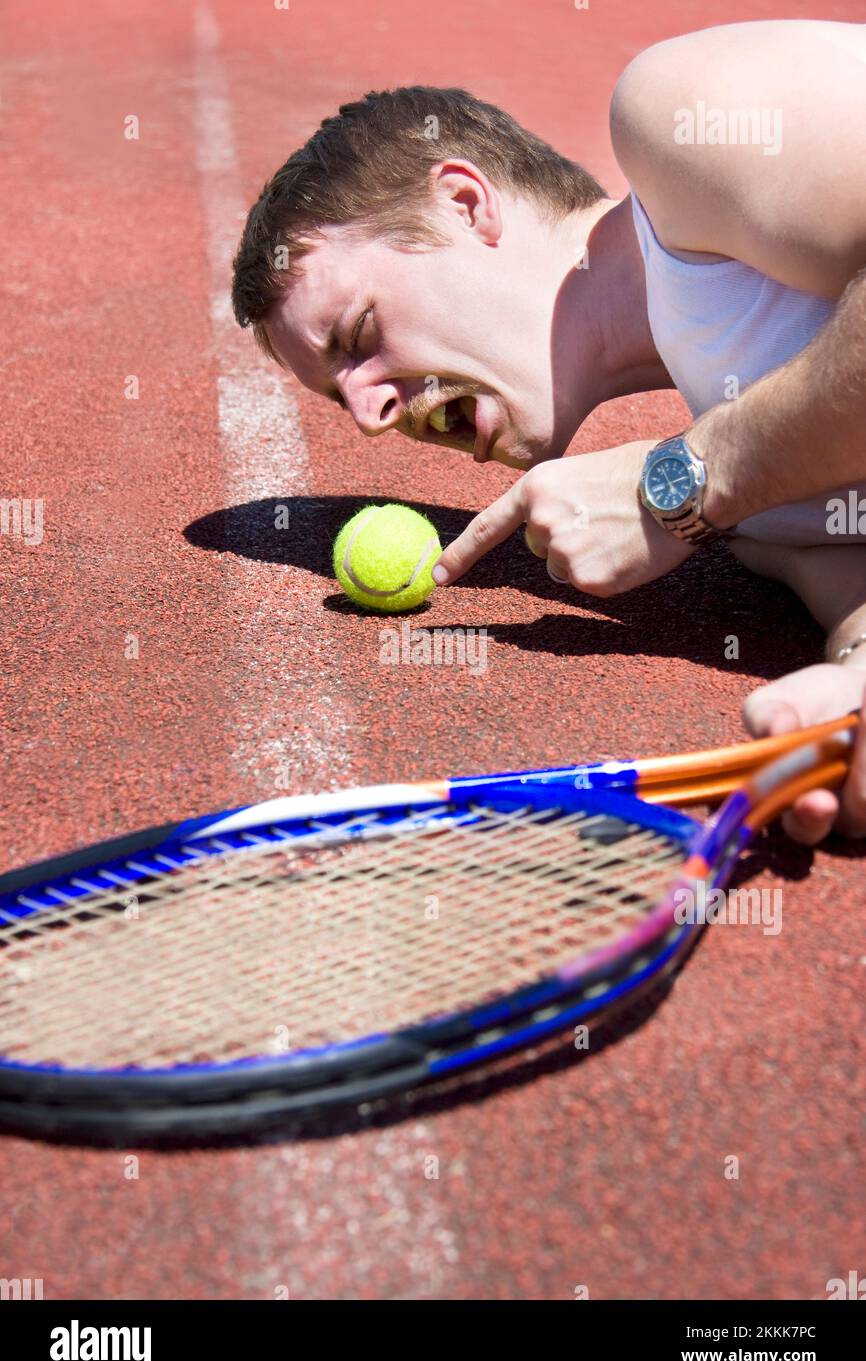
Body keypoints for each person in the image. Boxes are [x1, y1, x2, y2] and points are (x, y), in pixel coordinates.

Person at [231, 18, 866, 843]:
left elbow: (711, 471)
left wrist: (688, 479)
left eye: (357, 335)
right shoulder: (758, 521)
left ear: (466, 204)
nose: (369, 415)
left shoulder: (680, 113)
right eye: (339, 397)